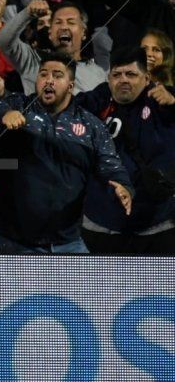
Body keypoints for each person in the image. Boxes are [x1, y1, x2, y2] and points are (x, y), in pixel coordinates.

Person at [0, 53, 133, 254]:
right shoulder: (17, 105)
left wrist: (124, 186)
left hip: (67, 241)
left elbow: (111, 166)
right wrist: (2, 116)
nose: (48, 80)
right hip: (14, 241)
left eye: (57, 75)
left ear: (70, 85)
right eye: (43, 74)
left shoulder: (91, 126)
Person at [74, 47, 175, 254]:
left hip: (156, 226)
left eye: (131, 74)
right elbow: (62, 107)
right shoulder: (98, 99)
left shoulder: (163, 100)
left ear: (147, 78)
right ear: (109, 78)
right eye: (117, 74)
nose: (123, 80)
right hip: (102, 224)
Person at [0, 0, 108, 94]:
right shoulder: (32, 60)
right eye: (58, 22)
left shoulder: (98, 73)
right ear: (50, 33)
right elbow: (4, 41)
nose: (64, 27)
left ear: (83, 33)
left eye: (71, 22)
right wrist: (27, 13)